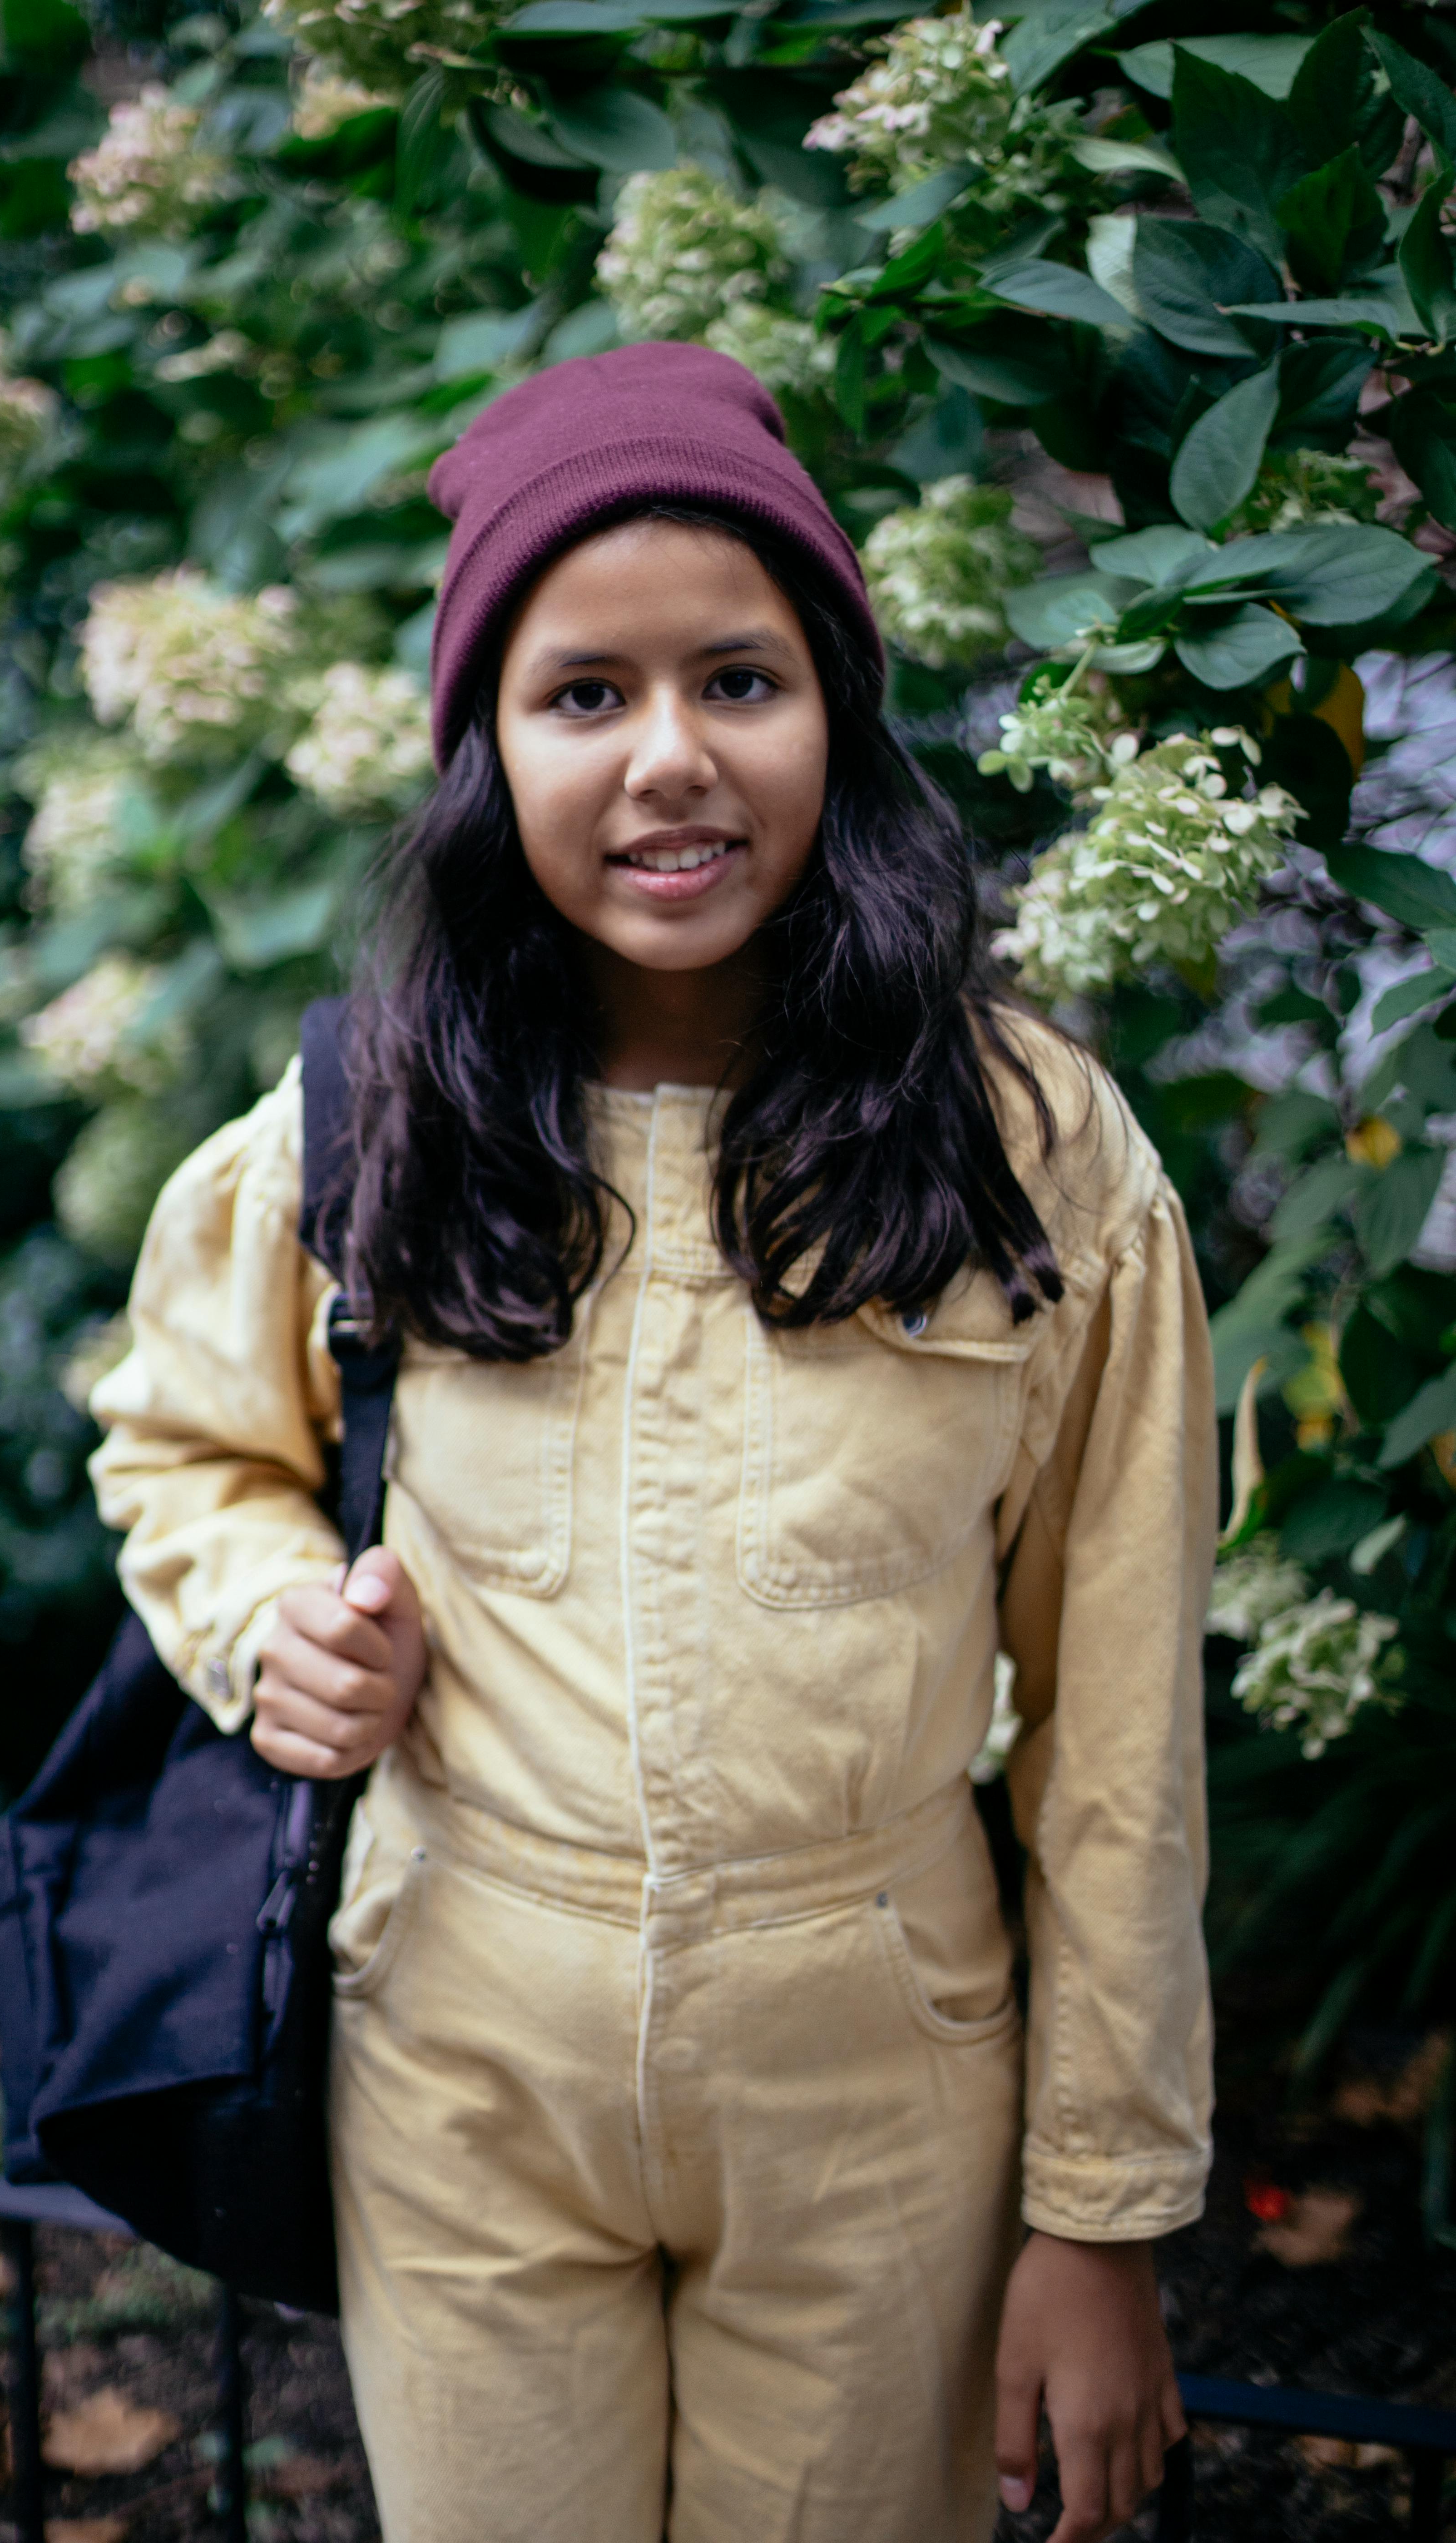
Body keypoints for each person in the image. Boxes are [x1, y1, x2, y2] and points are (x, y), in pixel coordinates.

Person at [89, 342, 1216, 2543]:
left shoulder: (1032, 1155)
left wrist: (1098, 2213)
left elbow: (1115, 1728)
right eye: (583, 693)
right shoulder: (364, 1122)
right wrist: (274, 1620)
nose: (669, 756)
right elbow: (183, 1448)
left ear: (837, 715)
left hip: (880, 2068)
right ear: (486, 750)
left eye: (738, 678)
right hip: (458, 2058)